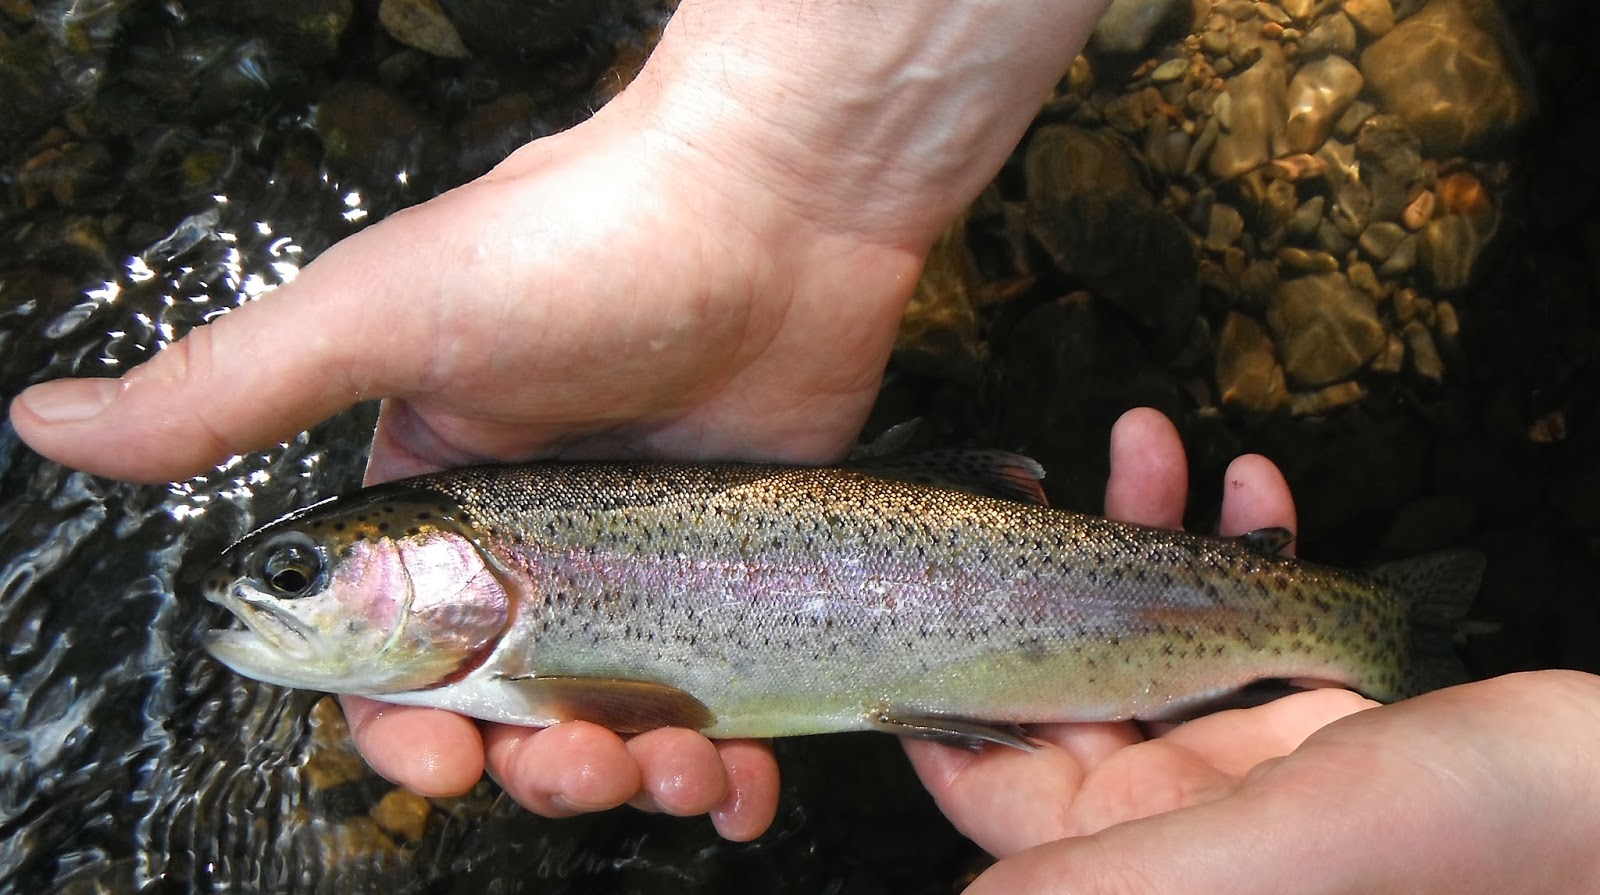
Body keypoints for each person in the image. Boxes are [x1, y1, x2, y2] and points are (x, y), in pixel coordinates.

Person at [10, 0, 1599, 890]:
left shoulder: (526, 629)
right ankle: (1358, 625)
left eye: (301, 572)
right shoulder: (512, 623)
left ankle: (1357, 627)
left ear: (433, 568)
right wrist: (775, 168)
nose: (263, 595)